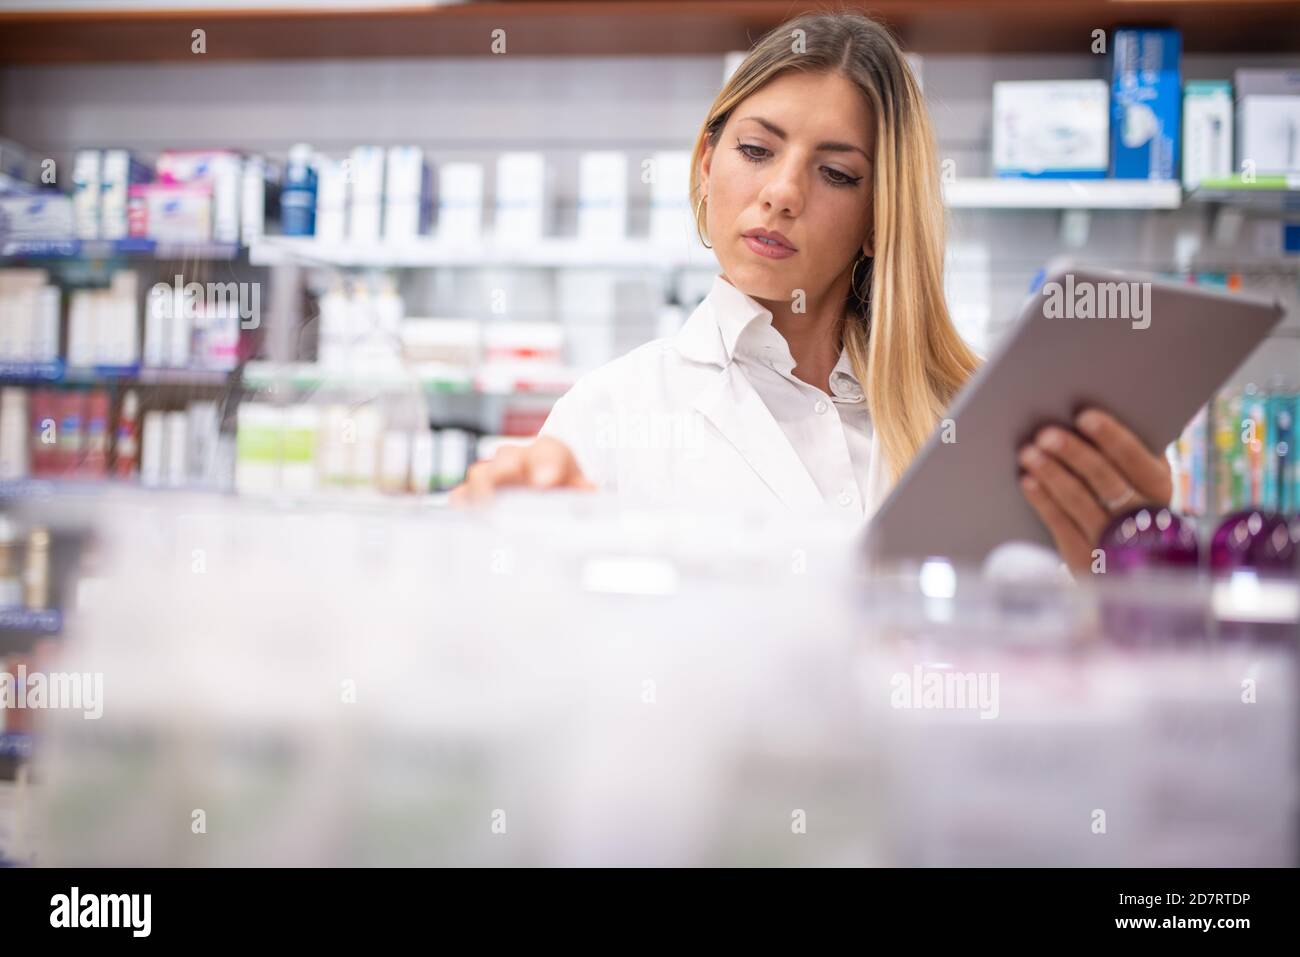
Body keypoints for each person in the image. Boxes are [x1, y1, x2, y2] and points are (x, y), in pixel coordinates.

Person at [450, 10, 1173, 574]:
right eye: (756, 150)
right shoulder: (614, 410)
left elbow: (1042, 667)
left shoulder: (971, 421)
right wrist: (501, 535)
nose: (782, 193)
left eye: (837, 174)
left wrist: (1115, 564)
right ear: (706, 165)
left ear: (877, 219)